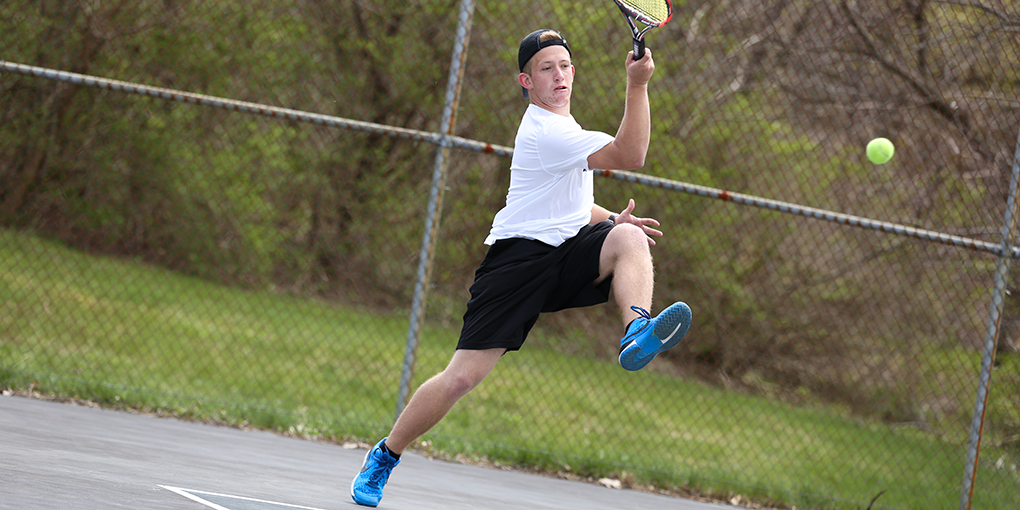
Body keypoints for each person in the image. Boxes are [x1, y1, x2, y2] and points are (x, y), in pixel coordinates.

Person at [350, 28, 692, 507]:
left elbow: (571, 206)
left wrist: (613, 219)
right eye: (546, 68)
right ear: (526, 82)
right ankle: (386, 454)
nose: (558, 75)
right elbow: (631, 154)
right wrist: (637, 84)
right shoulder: (547, 132)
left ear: (574, 72)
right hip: (516, 266)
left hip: (564, 251)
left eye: (564, 66)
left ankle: (637, 331)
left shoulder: (566, 130)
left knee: (629, 238)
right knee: (461, 378)